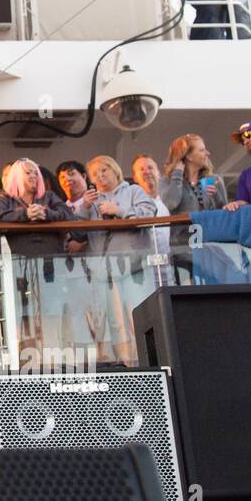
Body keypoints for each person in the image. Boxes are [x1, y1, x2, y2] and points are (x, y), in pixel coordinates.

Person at [0, 159, 76, 357]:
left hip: (51, 268)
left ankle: (53, 364)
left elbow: (69, 217)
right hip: (19, 271)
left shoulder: (50, 197)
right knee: (22, 320)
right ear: (17, 176)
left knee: (51, 316)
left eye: (36, 173)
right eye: (28, 173)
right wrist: (24, 214)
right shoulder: (4, 199)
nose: (34, 176)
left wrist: (47, 214)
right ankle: (28, 365)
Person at [74, 155, 158, 364]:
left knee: (139, 317)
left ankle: (147, 364)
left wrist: (119, 211)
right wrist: (84, 207)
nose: (100, 176)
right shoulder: (90, 201)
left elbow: (150, 214)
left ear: (114, 170)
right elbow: (75, 233)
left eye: (104, 170)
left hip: (134, 269)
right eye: (95, 174)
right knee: (114, 323)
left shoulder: (133, 191)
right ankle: (125, 365)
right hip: (104, 273)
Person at [160, 134, 228, 215]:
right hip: (184, 228)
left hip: (210, 227)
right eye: (202, 150)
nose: (208, 153)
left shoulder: (214, 180)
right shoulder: (167, 180)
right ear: (189, 156)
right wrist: (177, 176)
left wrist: (216, 196)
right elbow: (170, 204)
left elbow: (225, 212)